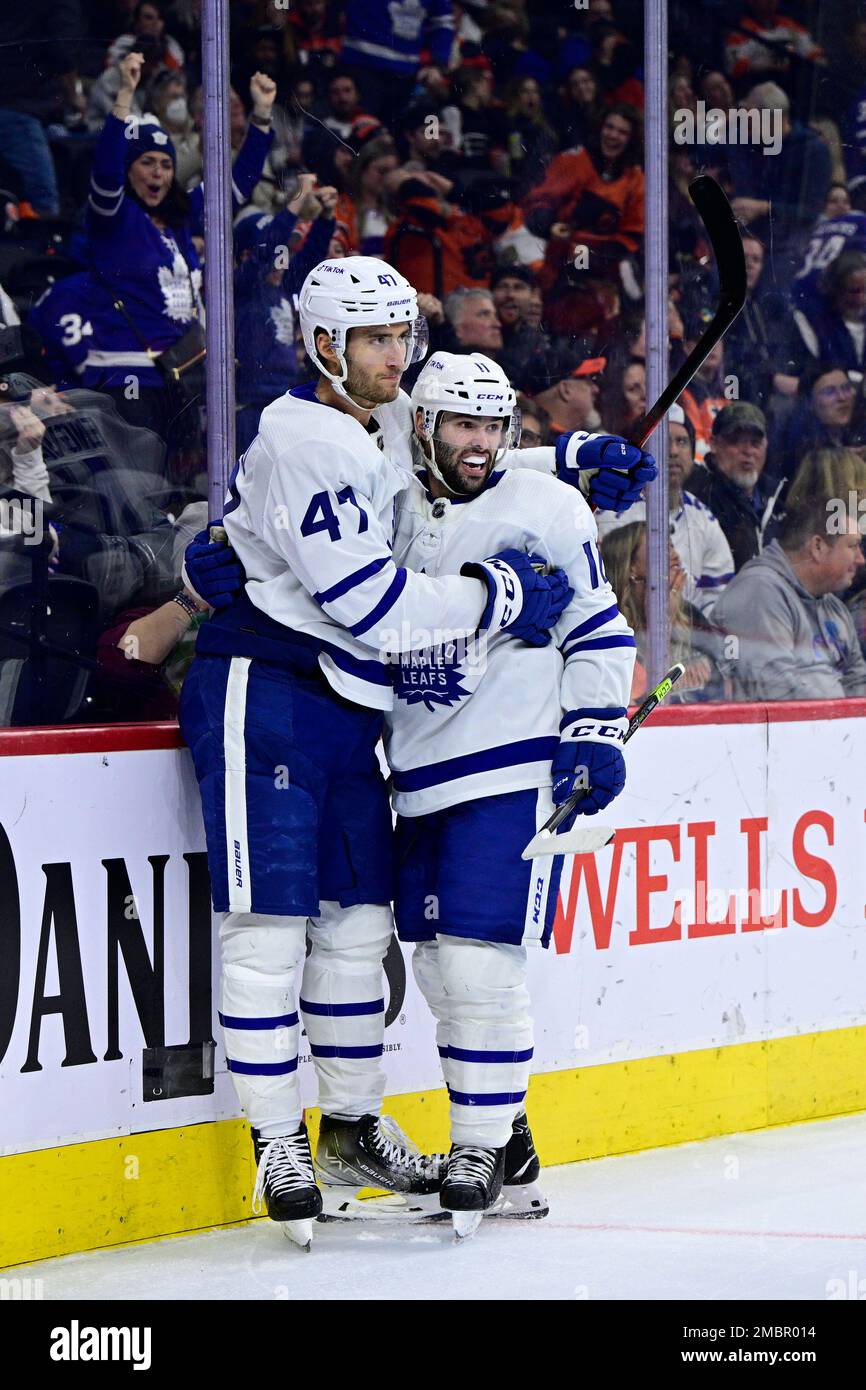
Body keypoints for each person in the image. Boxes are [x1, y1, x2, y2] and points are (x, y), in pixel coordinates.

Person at [177, 257, 576, 1245]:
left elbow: (454, 458)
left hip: (349, 705)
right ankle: (281, 1141)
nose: (395, 355)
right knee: (266, 936)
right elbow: (374, 604)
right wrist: (498, 594)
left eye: (401, 335)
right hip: (264, 690)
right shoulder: (300, 436)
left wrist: (571, 459)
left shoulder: (377, 414)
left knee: (355, 932)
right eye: (373, 339)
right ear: (323, 345)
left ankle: (351, 1128)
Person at [385, 352, 637, 1232]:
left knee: (478, 961)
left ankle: (476, 1149)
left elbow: (599, 627)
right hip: (414, 768)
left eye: (496, 427)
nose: (483, 444)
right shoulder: (391, 498)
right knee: (434, 965)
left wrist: (593, 729)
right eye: (463, 424)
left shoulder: (549, 510)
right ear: (423, 424)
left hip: (511, 760)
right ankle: (511, 1133)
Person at [80, 50, 276, 475]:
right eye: (147, 162)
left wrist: (261, 119)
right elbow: (106, 173)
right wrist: (125, 97)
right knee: (136, 484)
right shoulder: (114, 218)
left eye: (166, 164)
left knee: (177, 486)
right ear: (131, 169)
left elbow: (234, 188)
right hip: (126, 375)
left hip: (179, 377)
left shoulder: (178, 218)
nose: (158, 173)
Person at [712, 497, 866, 702]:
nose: (861, 559)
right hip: (780, 731)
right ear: (818, 547)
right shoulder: (760, 592)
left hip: (833, 730)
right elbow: (776, 693)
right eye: (853, 546)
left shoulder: (833, 607)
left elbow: (858, 683)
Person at [597, 404, 735, 614]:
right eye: (662, 441)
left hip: (687, 638)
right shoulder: (609, 511)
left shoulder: (704, 518)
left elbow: (718, 604)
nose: (673, 451)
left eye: (682, 441)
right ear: (641, 450)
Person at [687, 401, 784, 570]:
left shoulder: (779, 498)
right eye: (736, 441)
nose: (748, 451)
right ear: (714, 444)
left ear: (766, 446)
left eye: (755, 443)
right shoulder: (700, 497)